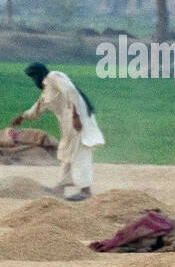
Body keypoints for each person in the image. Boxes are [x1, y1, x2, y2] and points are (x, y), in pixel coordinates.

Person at [9, 63, 105, 201]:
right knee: (66, 152)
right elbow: (37, 108)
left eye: (33, 76)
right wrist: (22, 117)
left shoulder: (54, 76)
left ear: (39, 74)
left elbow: (71, 91)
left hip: (78, 120)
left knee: (80, 152)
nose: (33, 80)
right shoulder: (47, 90)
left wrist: (76, 115)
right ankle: (60, 188)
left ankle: (86, 191)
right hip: (68, 126)